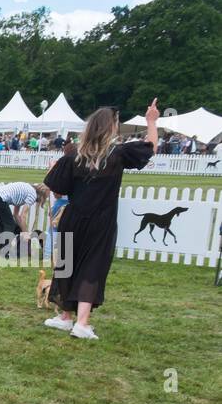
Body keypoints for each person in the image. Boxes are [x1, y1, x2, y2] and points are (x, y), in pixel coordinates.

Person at [43, 100, 158, 340]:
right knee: (91, 267)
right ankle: (80, 323)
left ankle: (65, 317)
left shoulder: (73, 156)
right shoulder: (118, 155)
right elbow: (150, 148)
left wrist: (52, 168)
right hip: (100, 220)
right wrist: (151, 121)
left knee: (66, 264)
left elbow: (57, 189)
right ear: (111, 128)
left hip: (72, 217)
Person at [0, 181, 48, 259]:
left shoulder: (26, 190)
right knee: (10, 225)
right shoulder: (33, 194)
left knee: (2, 225)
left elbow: (16, 215)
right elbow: (23, 216)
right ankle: (2, 253)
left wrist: (24, 232)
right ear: (41, 195)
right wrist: (25, 234)